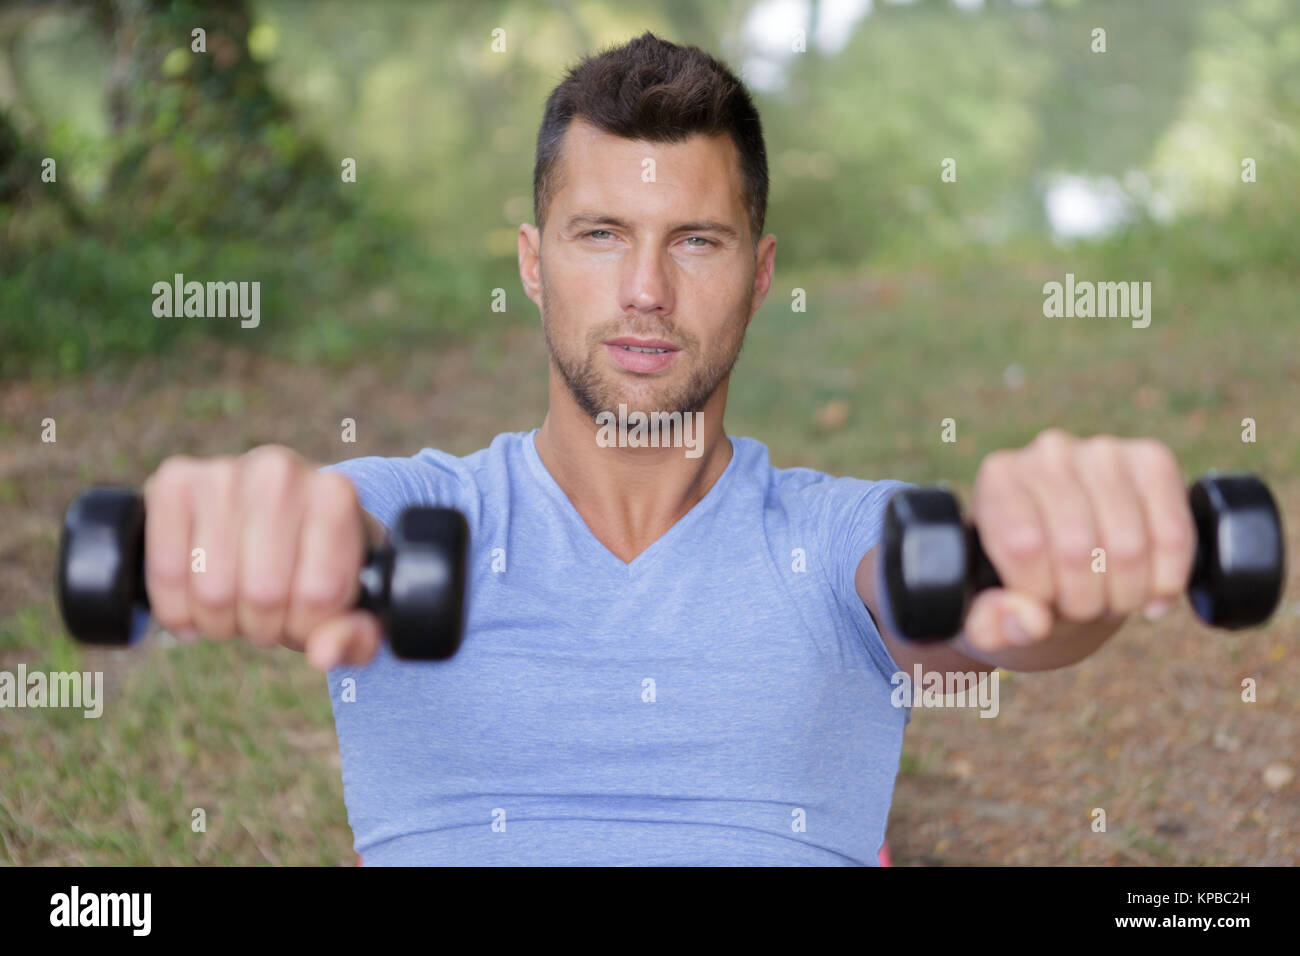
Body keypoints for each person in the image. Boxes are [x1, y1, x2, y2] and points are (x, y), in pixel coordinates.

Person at [138, 32, 1196, 865]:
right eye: (600, 234)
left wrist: (1067, 568)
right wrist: (244, 532)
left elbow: (972, 604)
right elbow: (321, 531)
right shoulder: (421, 514)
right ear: (534, 262)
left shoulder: (835, 535)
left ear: (761, 269)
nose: (645, 291)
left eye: (695, 239)